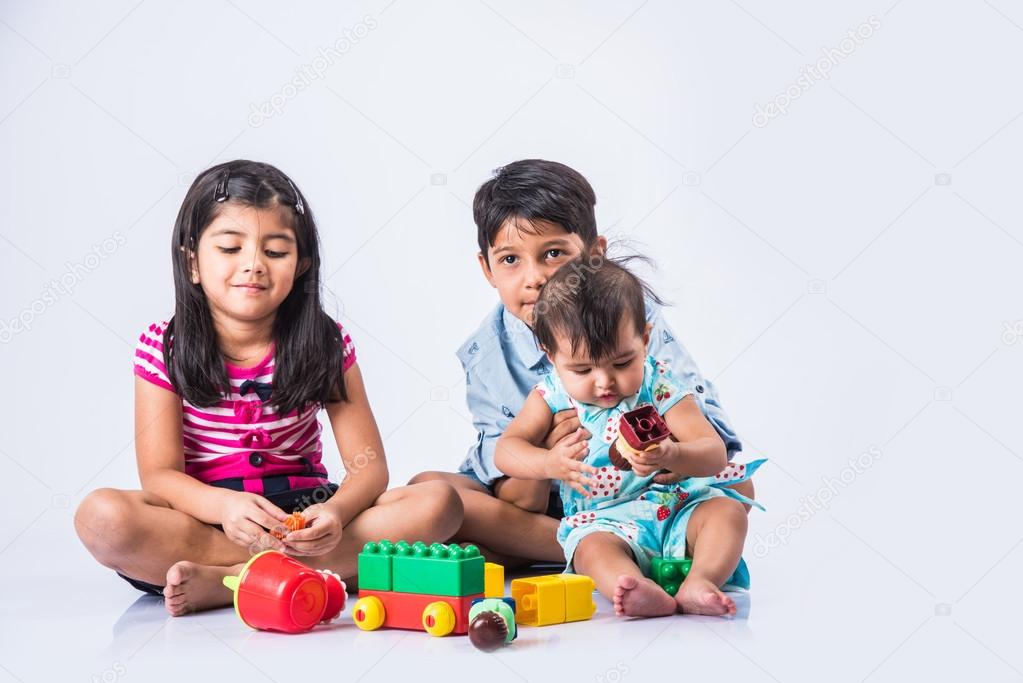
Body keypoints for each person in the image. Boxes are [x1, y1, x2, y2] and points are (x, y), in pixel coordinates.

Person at [74, 160, 463, 615]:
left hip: (305, 518)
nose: (253, 265)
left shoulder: (325, 341)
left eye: (275, 252)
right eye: (230, 248)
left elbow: (369, 467)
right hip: (210, 522)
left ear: (300, 266)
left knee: (440, 504)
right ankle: (279, 574)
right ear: (193, 262)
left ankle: (229, 582)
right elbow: (160, 476)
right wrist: (223, 507)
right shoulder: (162, 347)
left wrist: (334, 513)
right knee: (101, 517)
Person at [411, 159, 750, 566]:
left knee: (740, 487)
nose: (534, 277)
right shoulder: (486, 355)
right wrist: (543, 451)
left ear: (594, 256)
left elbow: (712, 438)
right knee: (429, 490)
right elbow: (511, 488)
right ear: (487, 269)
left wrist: (658, 449)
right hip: (547, 503)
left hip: (645, 492)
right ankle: (617, 545)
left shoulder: (632, 321)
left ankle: (598, 544)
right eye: (510, 260)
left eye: (553, 253)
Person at [496, 258, 764, 617]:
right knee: (589, 549)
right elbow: (506, 450)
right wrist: (547, 462)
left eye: (622, 363)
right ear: (551, 354)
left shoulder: (660, 385)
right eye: (582, 369)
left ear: (645, 339)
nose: (604, 382)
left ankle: (701, 580)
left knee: (728, 512)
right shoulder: (551, 395)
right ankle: (633, 586)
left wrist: (672, 453)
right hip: (606, 520)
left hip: (679, 508)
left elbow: (714, 453)